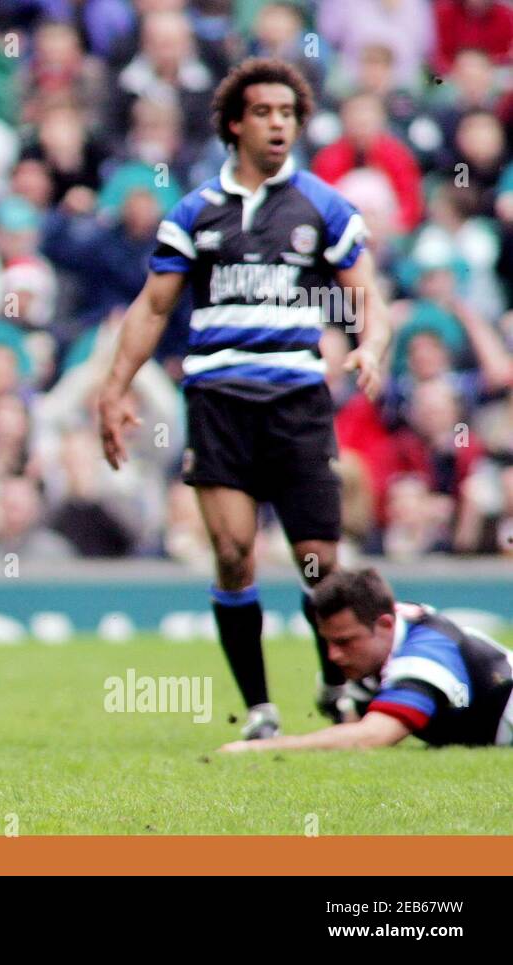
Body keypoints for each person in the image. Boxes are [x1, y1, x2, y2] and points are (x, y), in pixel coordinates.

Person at [97, 58, 392, 741]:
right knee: (233, 551)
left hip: (296, 400)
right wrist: (113, 389)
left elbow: (367, 295)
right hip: (219, 400)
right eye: (264, 112)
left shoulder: (324, 206)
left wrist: (371, 345)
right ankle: (260, 706)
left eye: (288, 114)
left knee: (319, 559)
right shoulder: (194, 213)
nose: (278, 124)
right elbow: (150, 308)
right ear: (235, 122)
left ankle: (334, 679)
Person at [221, 567, 513, 751]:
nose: (333, 656)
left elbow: (374, 736)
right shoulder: (383, 640)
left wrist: (265, 748)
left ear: (385, 625)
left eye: (344, 642)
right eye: (328, 643)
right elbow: (353, 728)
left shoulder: (426, 652)